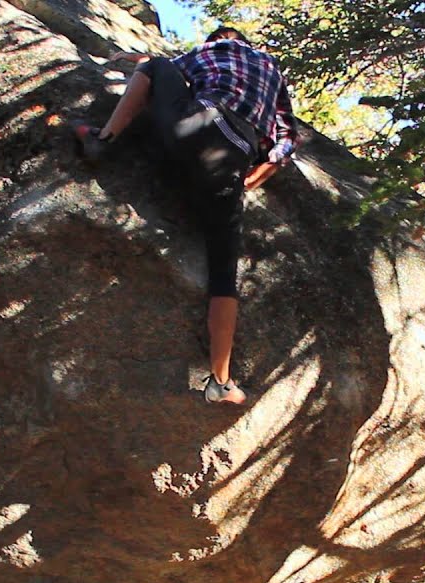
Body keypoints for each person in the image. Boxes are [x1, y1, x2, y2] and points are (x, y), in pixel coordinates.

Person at [72, 27, 300, 405]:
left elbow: (162, 67)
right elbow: (288, 136)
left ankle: (103, 140)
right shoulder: (270, 68)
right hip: (232, 159)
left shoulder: (211, 50)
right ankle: (221, 382)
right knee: (223, 273)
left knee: (158, 66)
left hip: (194, 126)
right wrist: (261, 172)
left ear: (216, 40)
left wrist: (130, 59)